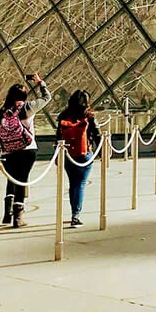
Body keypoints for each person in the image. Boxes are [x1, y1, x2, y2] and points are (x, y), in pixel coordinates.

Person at [0, 73, 51, 228]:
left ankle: (7, 214)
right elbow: (47, 97)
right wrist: (40, 82)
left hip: (8, 150)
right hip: (27, 149)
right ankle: (18, 217)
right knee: (22, 180)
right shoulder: (27, 107)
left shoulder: (3, 111)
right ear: (24, 96)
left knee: (11, 179)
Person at [56, 89, 101, 227]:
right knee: (80, 184)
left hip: (67, 153)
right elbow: (98, 135)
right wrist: (102, 152)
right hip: (84, 154)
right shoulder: (89, 116)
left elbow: (58, 136)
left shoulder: (63, 116)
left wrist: (57, 155)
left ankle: (74, 212)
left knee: (73, 184)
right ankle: (75, 215)